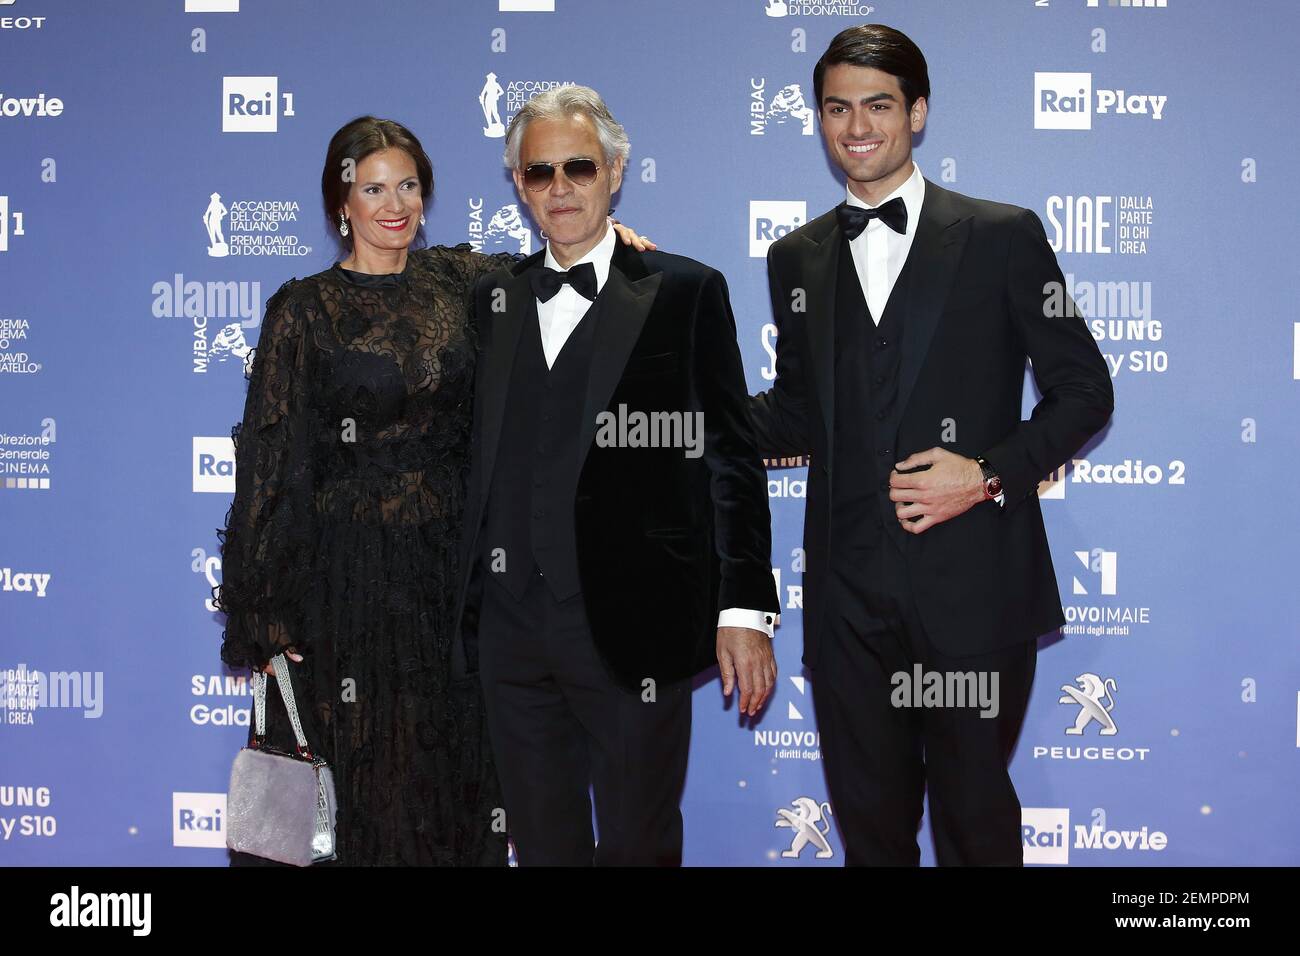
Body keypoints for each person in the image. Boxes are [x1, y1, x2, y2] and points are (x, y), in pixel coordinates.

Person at [215, 115, 651, 866]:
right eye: (374, 188)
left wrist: (617, 244)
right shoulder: (303, 310)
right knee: (361, 791)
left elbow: (558, 266)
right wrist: (269, 619)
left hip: (457, 585)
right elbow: (269, 461)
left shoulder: (462, 283)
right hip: (347, 592)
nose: (395, 205)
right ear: (340, 203)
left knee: (461, 787)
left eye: (409, 186)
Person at [749, 25, 1114, 865]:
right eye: (836, 107)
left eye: (878, 104)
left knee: (975, 828)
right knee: (872, 837)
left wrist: (987, 476)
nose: (856, 126)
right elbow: (797, 418)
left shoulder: (1001, 235)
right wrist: (656, 351)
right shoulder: (796, 257)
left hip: (975, 590)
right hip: (848, 602)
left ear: (917, 113)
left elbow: (1086, 391)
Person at [457, 85, 780, 866]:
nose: (560, 188)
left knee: (639, 843)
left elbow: (731, 457)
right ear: (518, 185)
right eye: (539, 173)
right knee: (541, 846)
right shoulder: (486, 298)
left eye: (579, 167)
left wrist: (745, 608)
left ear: (616, 171)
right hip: (510, 632)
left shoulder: (685, 290)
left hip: (637, 626)